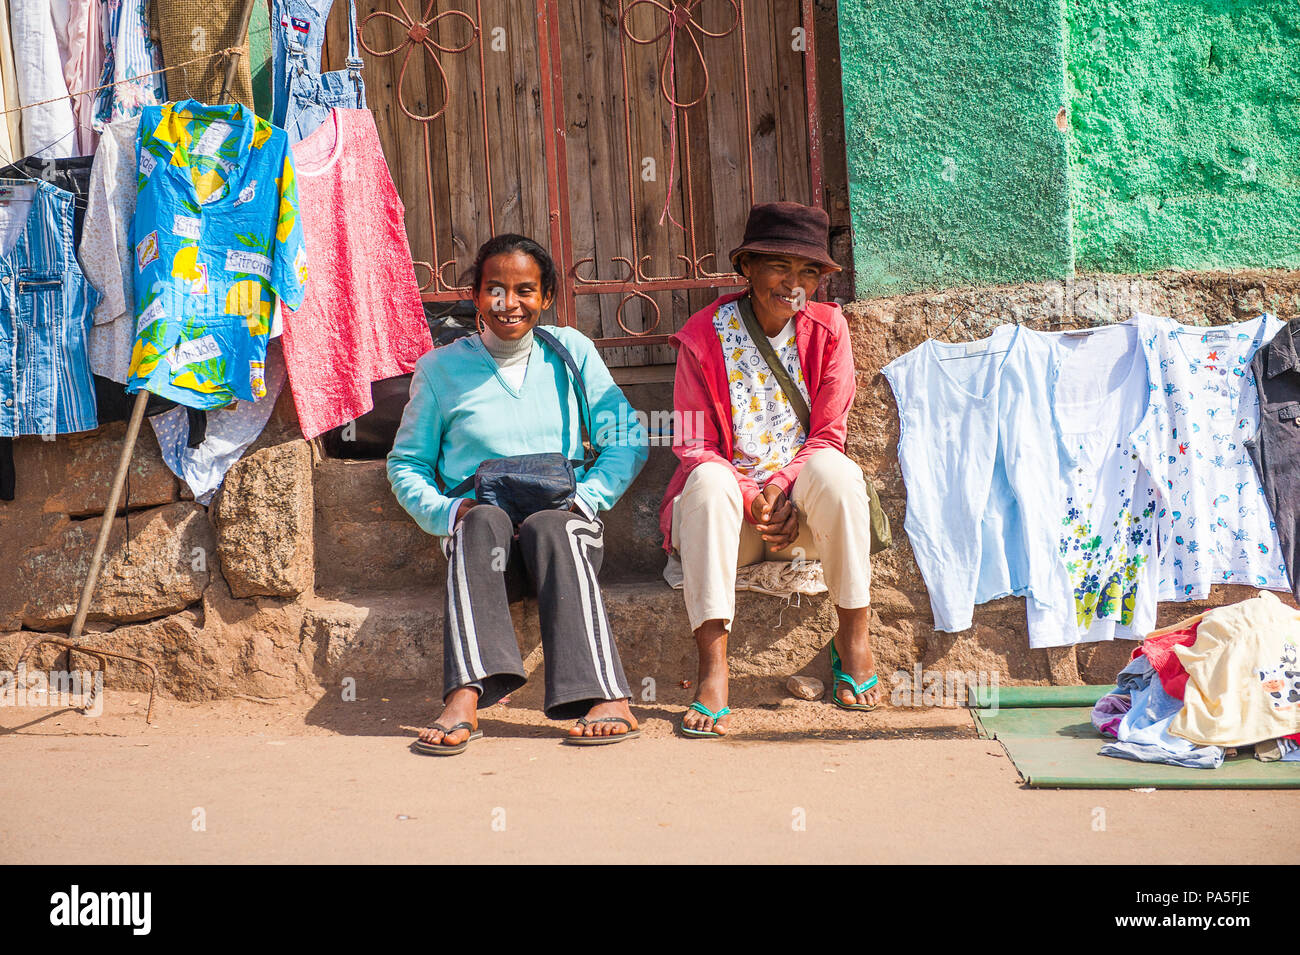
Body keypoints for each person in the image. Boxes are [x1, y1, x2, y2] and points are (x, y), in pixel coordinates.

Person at [387, 234, 649, 753]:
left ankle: (607, 697)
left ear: (546, 296)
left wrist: (588, 498)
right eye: (495, 290)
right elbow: (407, 464)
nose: (510, 303)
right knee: (479, 521)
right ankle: (465, 697)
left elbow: (627, 438)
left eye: (525, 289)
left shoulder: (572, 352)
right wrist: (447, 510)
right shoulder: (440, 370)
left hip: (562, 535)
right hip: (485, 550)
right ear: (476, 295)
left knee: (555, 525)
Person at [659, 201, 879, 738]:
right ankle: (713, 667)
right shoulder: (703, 335)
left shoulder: (829, 329)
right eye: (780, 265)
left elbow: (828, 432)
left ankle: (853, 639)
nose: (794, 282)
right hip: (732, 530)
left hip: (801, 526)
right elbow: (693, 443)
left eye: (809, 271)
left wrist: (779, 487)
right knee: (706, 479)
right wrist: (750, 493)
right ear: (748, 266)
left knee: (838, 471)